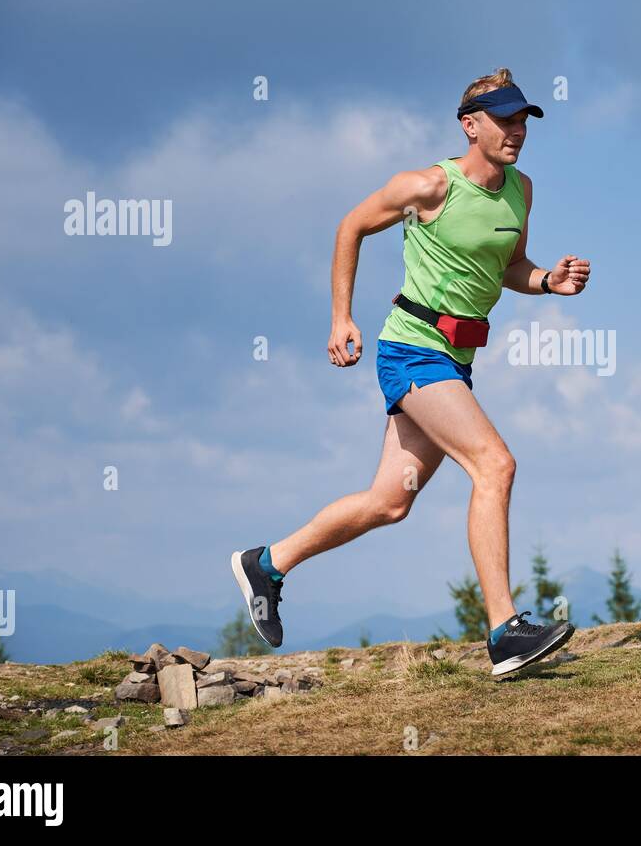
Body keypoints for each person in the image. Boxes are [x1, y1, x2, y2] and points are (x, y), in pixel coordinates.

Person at [231, 68, 591, 676]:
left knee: (388, 502)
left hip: (457, 360)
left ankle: (266, 564)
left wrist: (547, 281)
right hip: (413, 350)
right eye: (504, 120)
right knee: (495, 464)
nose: (516, 131)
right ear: (469, 125)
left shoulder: (520, 190)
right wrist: (341, 317)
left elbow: (510, 265)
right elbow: (350, 227)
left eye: (522, 120)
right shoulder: (427, 186)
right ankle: (504, 632)